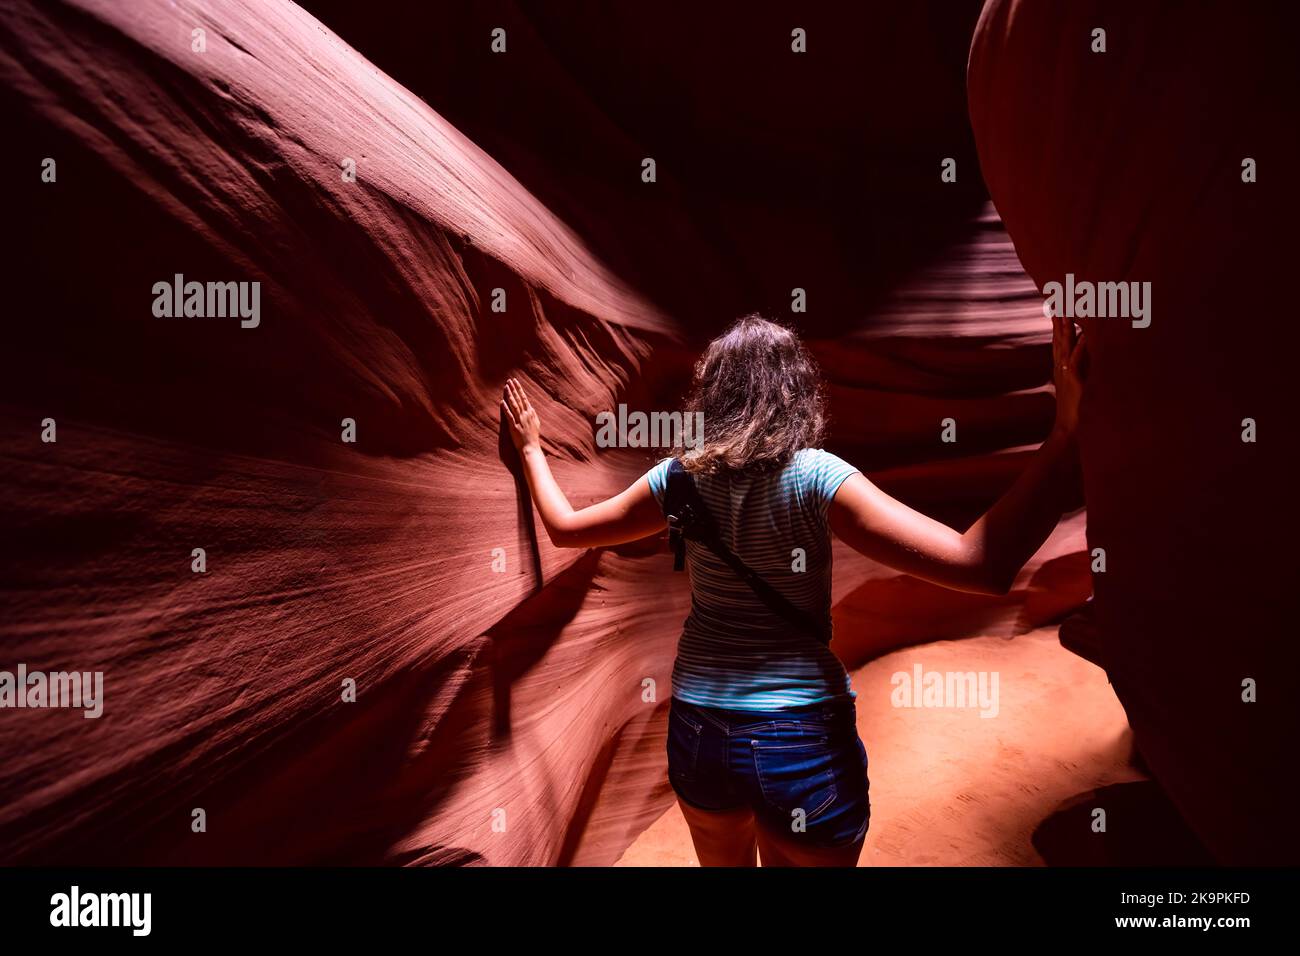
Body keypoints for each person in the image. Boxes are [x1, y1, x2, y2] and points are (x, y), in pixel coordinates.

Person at [501, 312, 1086, 867]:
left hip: (700, 728)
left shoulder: (678, 478)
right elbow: (980, 564)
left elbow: (566, 531)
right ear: (795, 393)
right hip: (797, 737)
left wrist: (531, 452)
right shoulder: (819, 477)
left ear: (714, 394)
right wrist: (1064, 432)